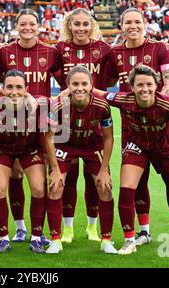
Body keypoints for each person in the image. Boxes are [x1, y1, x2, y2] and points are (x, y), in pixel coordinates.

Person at [96, 64, 169, 255]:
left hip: (166, 146)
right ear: (132, 87)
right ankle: (129, 241)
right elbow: (100, 93)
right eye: (140, 85)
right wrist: (72, 89)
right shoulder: (123, 99)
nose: (145, 89)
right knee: (126, 189)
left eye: (149, 85)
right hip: (138, 147)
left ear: (156, 85)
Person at [108, 7, 169, 249]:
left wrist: (156, 104)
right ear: (121, 27)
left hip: (162, 127)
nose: (133, 26)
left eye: (137, 22)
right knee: (137, 181)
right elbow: (108, 82)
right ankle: (143, 231)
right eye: (128, 22)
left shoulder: (159, 48)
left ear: (145, 24)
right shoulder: (115, 53)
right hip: (131, 129)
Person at [0, 9, 62, 244]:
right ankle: (20, 227)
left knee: (37, 182)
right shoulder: (3, 52)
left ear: (39, 26)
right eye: (23, 24)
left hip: (36, 125)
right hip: (8, 124)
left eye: (32, 24)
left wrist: (46, 104)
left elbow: (66, 85)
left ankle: (37, 231)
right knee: (13, 175)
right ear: (16, 26)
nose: (27, 28)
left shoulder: (51, 52)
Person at [55, 8, 115, 243]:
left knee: (96, 180)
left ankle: (92, 227)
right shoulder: (60, 49)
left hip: (95, 123)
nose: (80, 28)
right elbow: (50, 72)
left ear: (92, 26)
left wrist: (96, 94)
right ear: (69, 26)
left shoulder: (103, 49)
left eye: (85, 24)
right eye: (76, 24)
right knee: (67, 178)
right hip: (67, 123)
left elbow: (111, 77)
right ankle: (67, 229)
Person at [46, 65, 117, 254]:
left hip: (92, 146)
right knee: (55, 186)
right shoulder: (58, 106)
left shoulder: (102, 105)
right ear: (67, 85)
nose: (80, 88)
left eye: (84, 83)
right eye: (75, 84)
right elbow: (49, 137)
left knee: (104, 186)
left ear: (91, 85)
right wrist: (54, 168)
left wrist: (104, 170)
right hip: (65, 146)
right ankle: (55, 239)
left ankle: (106, 240)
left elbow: (109, 137)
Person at [0, 70, 51, 254]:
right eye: (9, 87)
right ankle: (2, 239)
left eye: (18, 87)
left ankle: (37, 237)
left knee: (39, 187)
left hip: (29, 149)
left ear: (26, 90)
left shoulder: (39, 103)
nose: (14, 91)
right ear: (3, 88)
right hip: (2, 149)